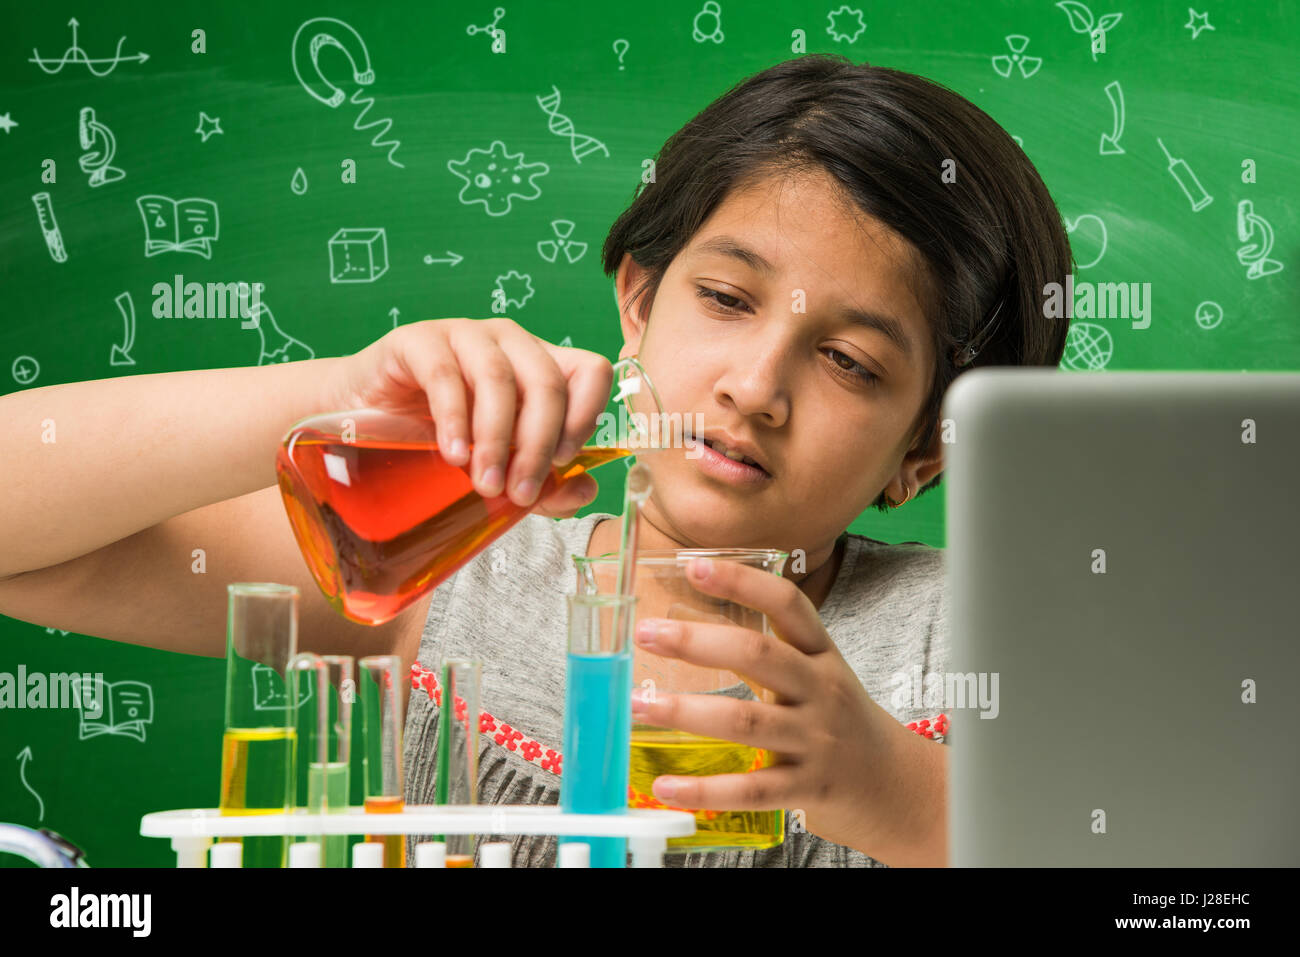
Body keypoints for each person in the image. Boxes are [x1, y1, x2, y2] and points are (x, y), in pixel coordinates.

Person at [0, 54, 1071, 867]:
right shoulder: (449, 579)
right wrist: (330, 398)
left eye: (846, 358)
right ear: (639, 305)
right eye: (727, 299)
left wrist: (891, 788)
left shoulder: (983, 627)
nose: (754, 385)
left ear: (925, 451)